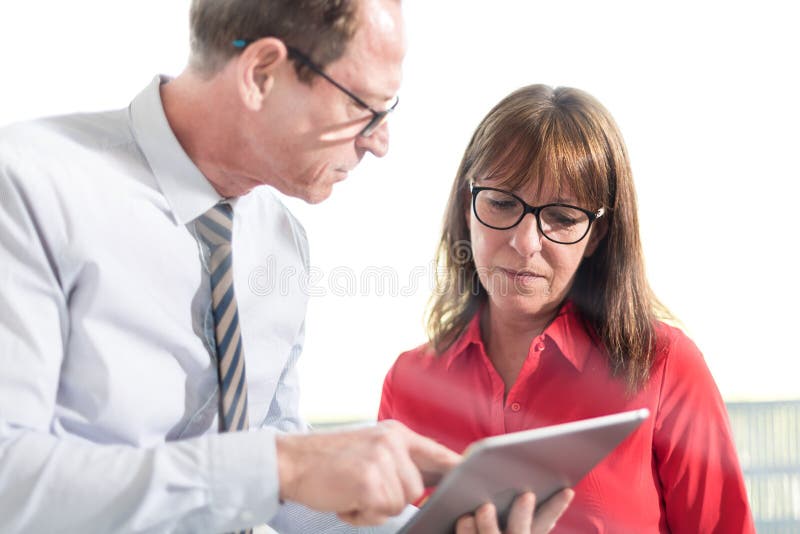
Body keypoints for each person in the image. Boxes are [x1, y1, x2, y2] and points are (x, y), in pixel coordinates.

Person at [0, 1, 571, 533]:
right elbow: (10, 479)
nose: (380, 142)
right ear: (261, 74)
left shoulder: (279, 239)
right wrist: (281, 462)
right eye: (361, 107)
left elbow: (272, 475)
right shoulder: (27, 189)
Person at [378, 84, 756, 532]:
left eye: (562, 217)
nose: (525, 243)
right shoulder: (408, 384)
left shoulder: (665, 366)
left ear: (596, 235)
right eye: (501, 203)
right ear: (467, 206)